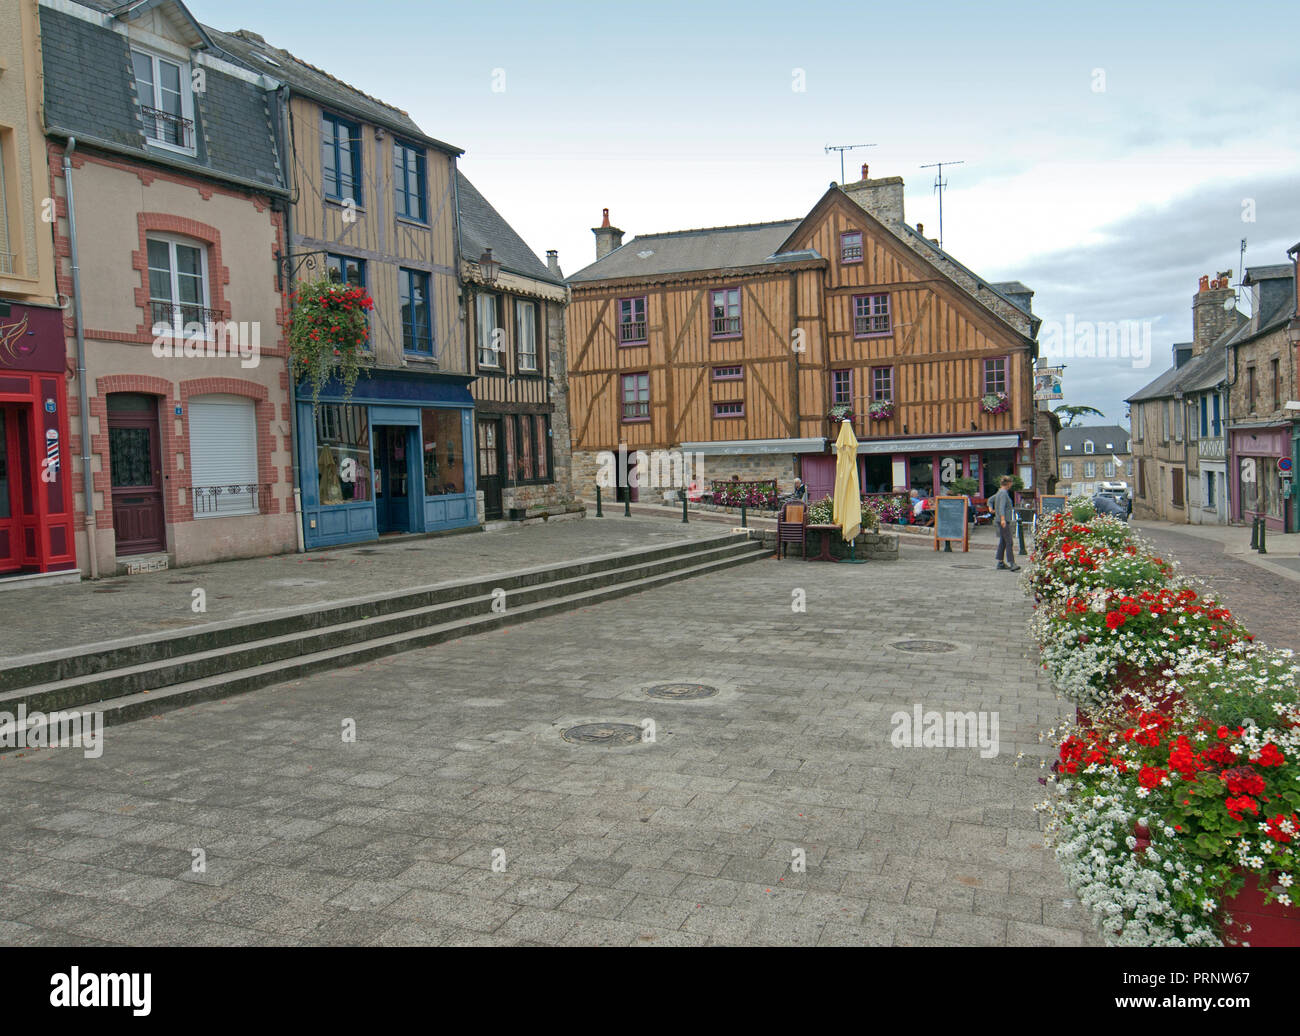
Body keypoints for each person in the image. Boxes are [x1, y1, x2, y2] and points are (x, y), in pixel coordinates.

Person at [991, 475, 1020, 571]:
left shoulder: (999, 492)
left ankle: (1000, 562)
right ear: (1008, 483)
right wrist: (1003, 519)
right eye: (1011, 483)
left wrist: (990, 508)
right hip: (1003, 521)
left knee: (1003, 541)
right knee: (1009, 541)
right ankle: (1012, 563)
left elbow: (990, 500)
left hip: (999, 520)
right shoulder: (1003, 493)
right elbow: (1001, 507)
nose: (1011, 485)